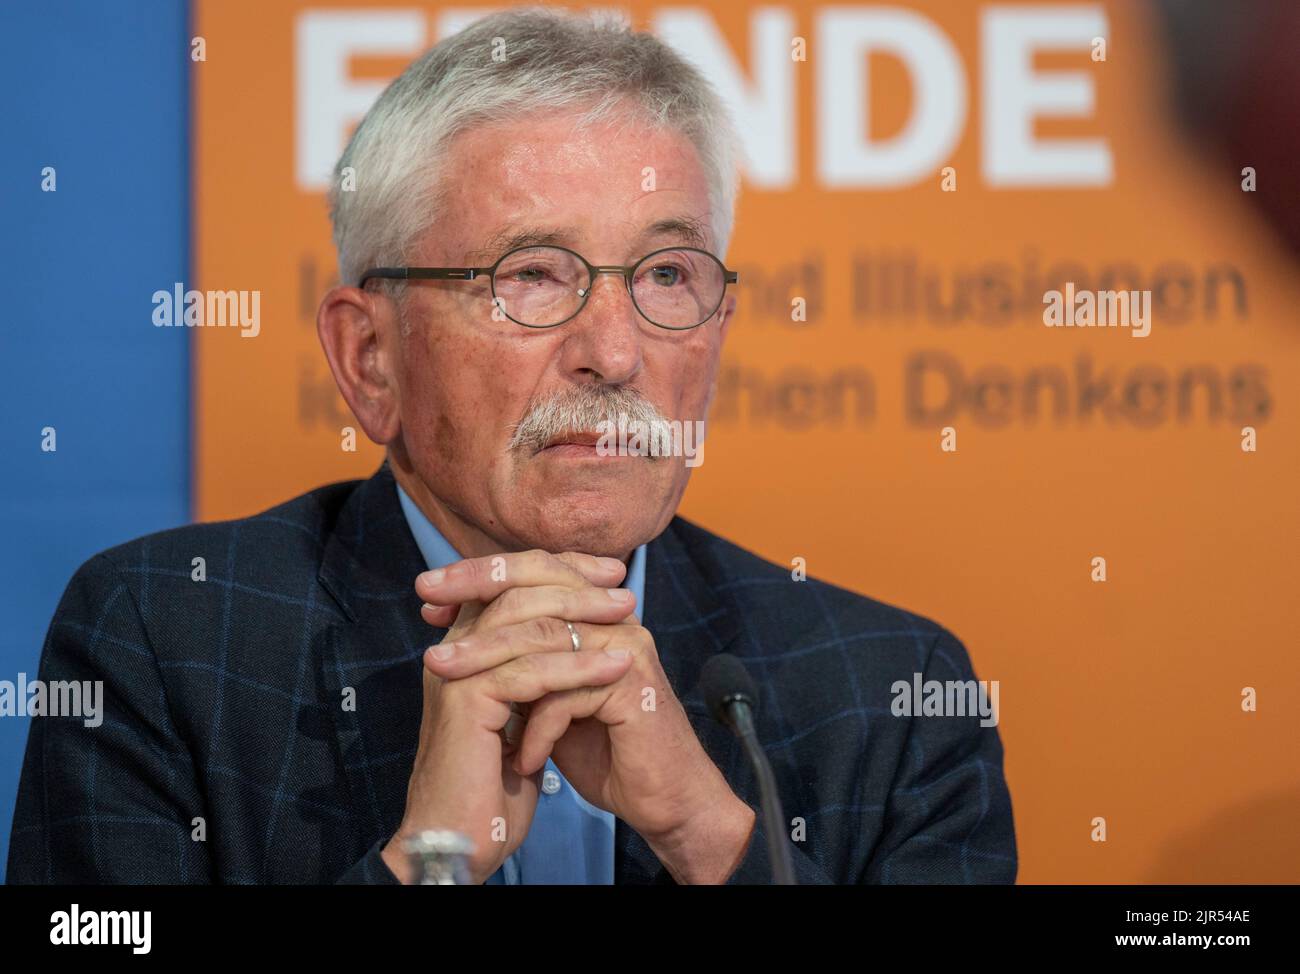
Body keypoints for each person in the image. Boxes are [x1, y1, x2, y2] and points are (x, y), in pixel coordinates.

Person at [7, 7, 1015, 885]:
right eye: (532, 273)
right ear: (370, 359)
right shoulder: (168, 642)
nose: (614, 351)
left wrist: (710, 838)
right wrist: (426, 861)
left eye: (666, 274)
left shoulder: (894, 694)